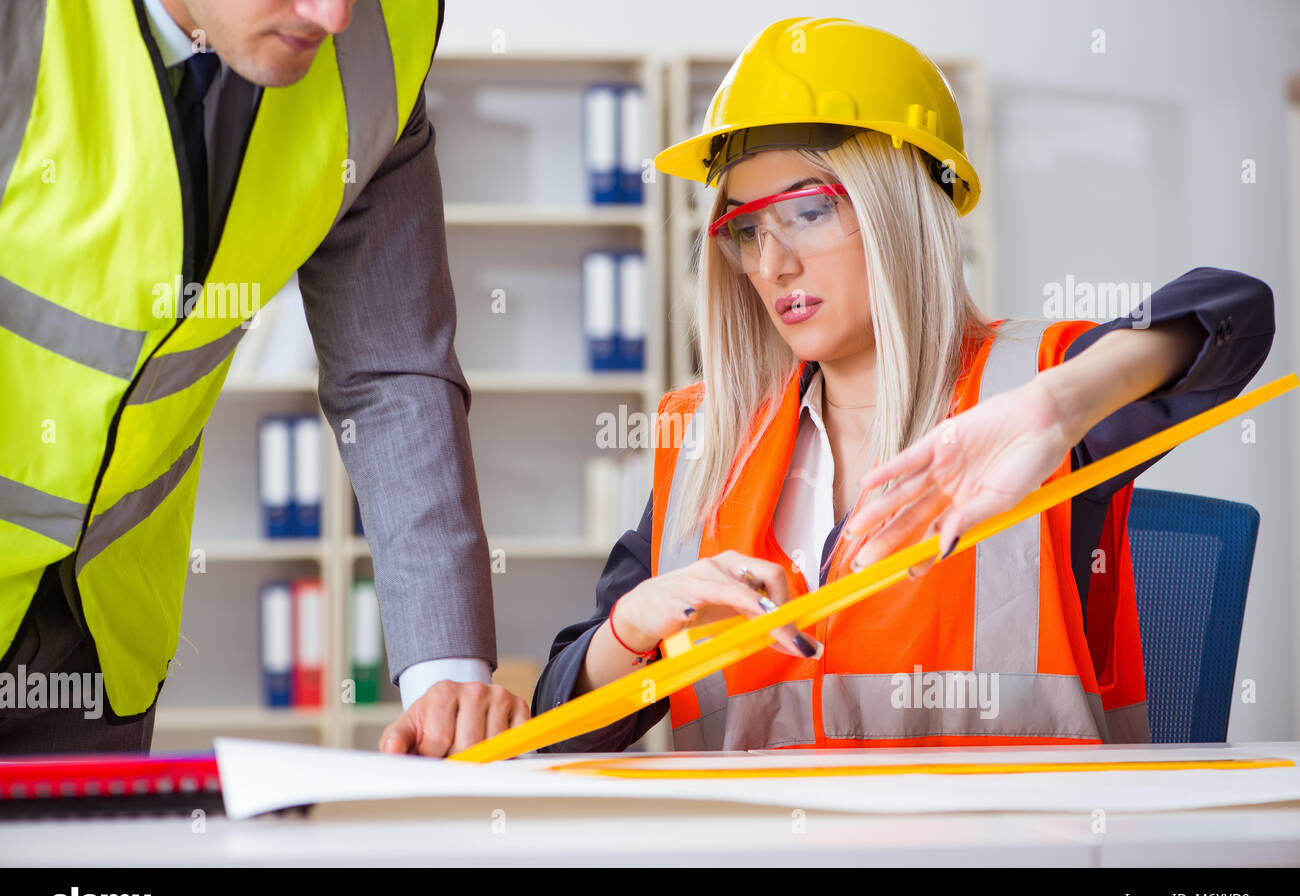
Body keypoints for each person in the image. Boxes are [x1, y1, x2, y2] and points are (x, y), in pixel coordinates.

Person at [532, 17, 1274, 752]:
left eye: (809, 210)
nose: (772, 264)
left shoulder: (1033, 390)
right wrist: (634, 625)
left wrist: (1061, 405)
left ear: (900, 212)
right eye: (748, 230)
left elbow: (1235, 314)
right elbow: (558, 726)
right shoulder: (707, 441)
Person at [0, 0, 528, 757]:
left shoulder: (382, 36)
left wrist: (445, 682)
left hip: (98, 637)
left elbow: (391, 372)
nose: (334, 14)